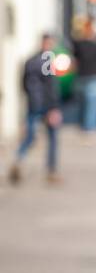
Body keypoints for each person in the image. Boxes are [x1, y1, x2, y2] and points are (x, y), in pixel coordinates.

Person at [8, 34, 62, 185]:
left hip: (33, 103)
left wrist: (30, 99)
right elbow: (50, 85)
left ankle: (18, 159)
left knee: (30, 136)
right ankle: (51, 170)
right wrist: (54, 108)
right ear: (48, 43)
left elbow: (23, 83)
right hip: (46, 104)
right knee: (52, 137)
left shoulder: (30, 61)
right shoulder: (46, 61)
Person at [72, 19, 96, 133]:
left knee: (83, 103)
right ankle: (89, 127)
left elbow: (74, 59)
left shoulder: (78, 45)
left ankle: (84, 125)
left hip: (82, 76)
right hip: (93, 76)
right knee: (91, 104)